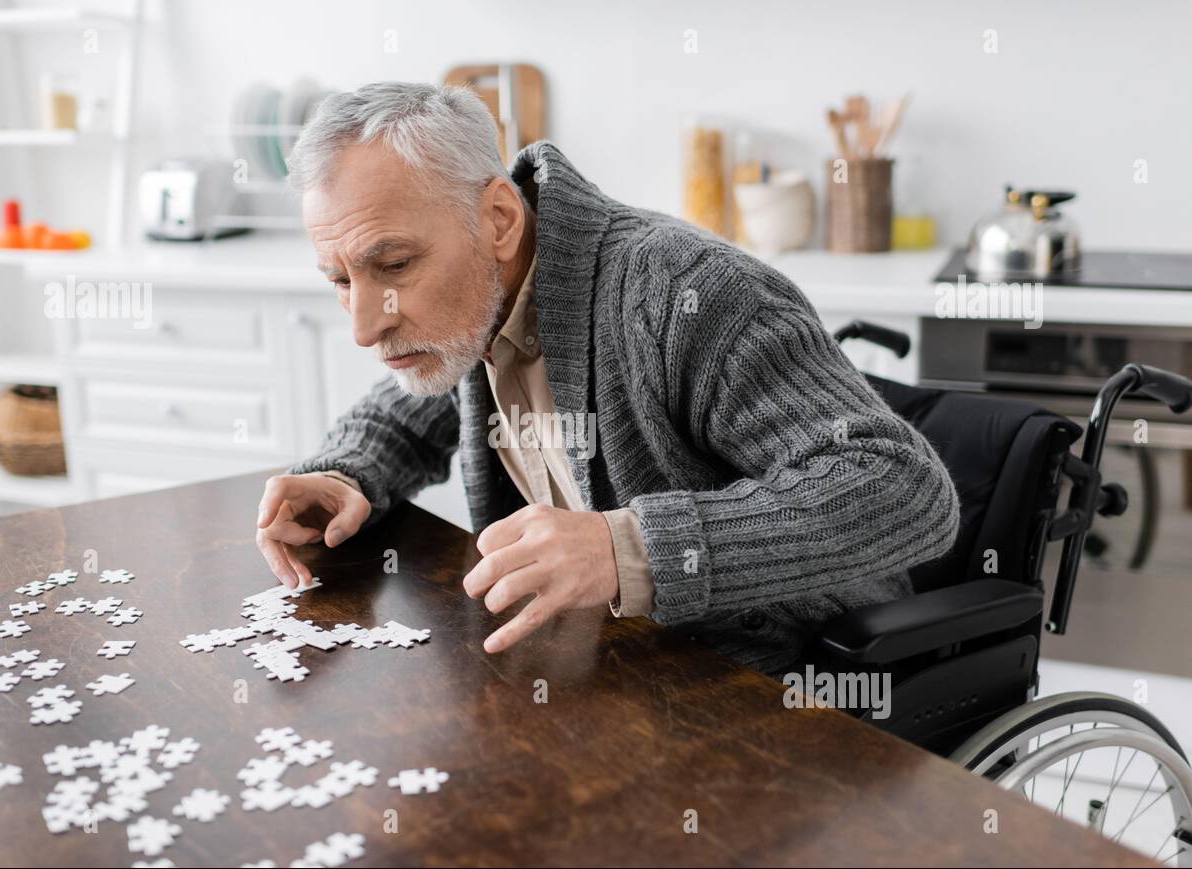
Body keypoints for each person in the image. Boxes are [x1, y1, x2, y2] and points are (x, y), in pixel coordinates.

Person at [255, 81, 960, 676]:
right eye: (340, 279)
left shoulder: (688, 294)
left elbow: (906, 487)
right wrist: (344, 474)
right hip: (612, 661)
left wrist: (628, 548)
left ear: (498, 218)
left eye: (394, 265)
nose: (364, 326)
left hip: (784, 672)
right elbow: (408, 400)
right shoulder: (469, 307)